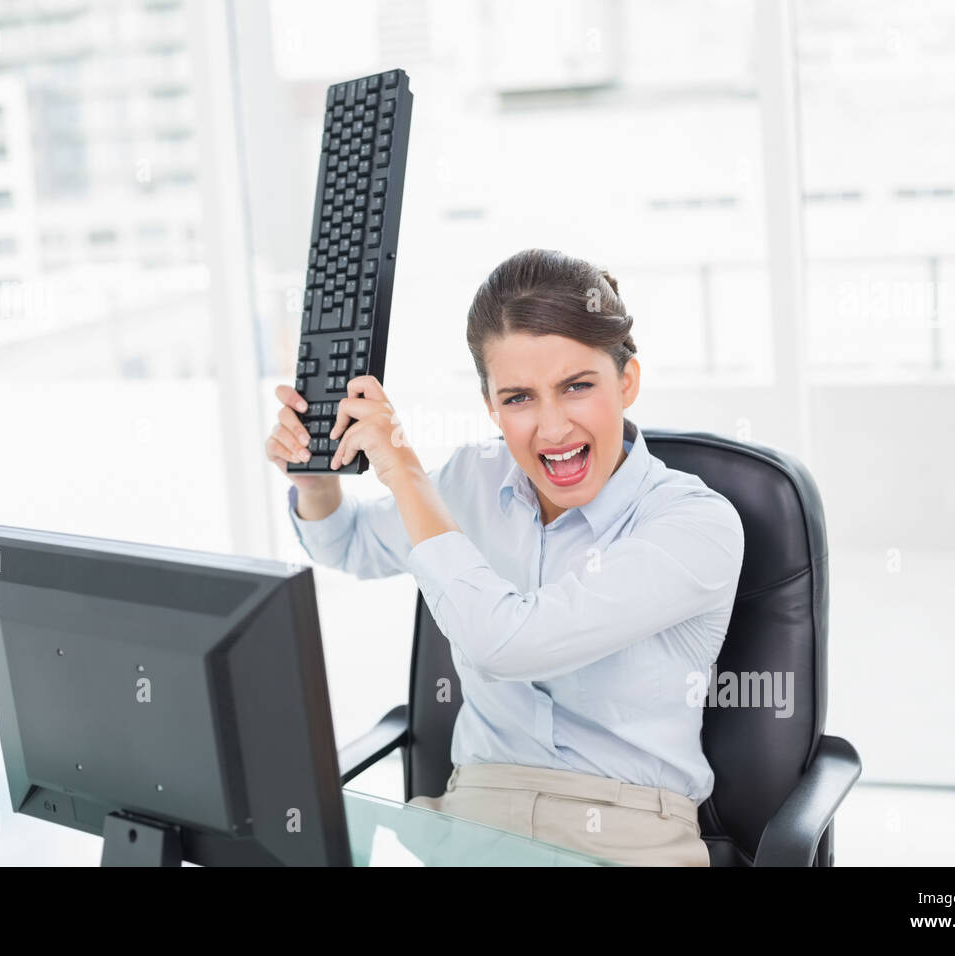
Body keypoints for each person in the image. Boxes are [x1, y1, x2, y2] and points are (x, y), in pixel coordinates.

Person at [263, 248, 745, 866]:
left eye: (577, 387)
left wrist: (403, 468)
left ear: (626, 382)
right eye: (518, 398)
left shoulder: (694, 524)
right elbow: (350, 543)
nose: (552, 429)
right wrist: (317, 481)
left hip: (626, 838)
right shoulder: (471, 478)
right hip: (474, 821)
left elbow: (510, 644)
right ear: (490, 405)